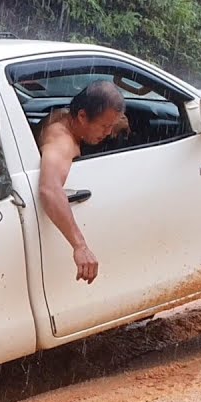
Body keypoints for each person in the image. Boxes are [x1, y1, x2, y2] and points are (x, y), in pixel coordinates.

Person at [36, 80, 128, 284]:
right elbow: (49, 189)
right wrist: (80, 246)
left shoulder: (64, 114)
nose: (107, 133)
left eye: (110, 126)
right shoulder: (61, 141)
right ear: (83, 116)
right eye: (104, 126)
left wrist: (111, 124)